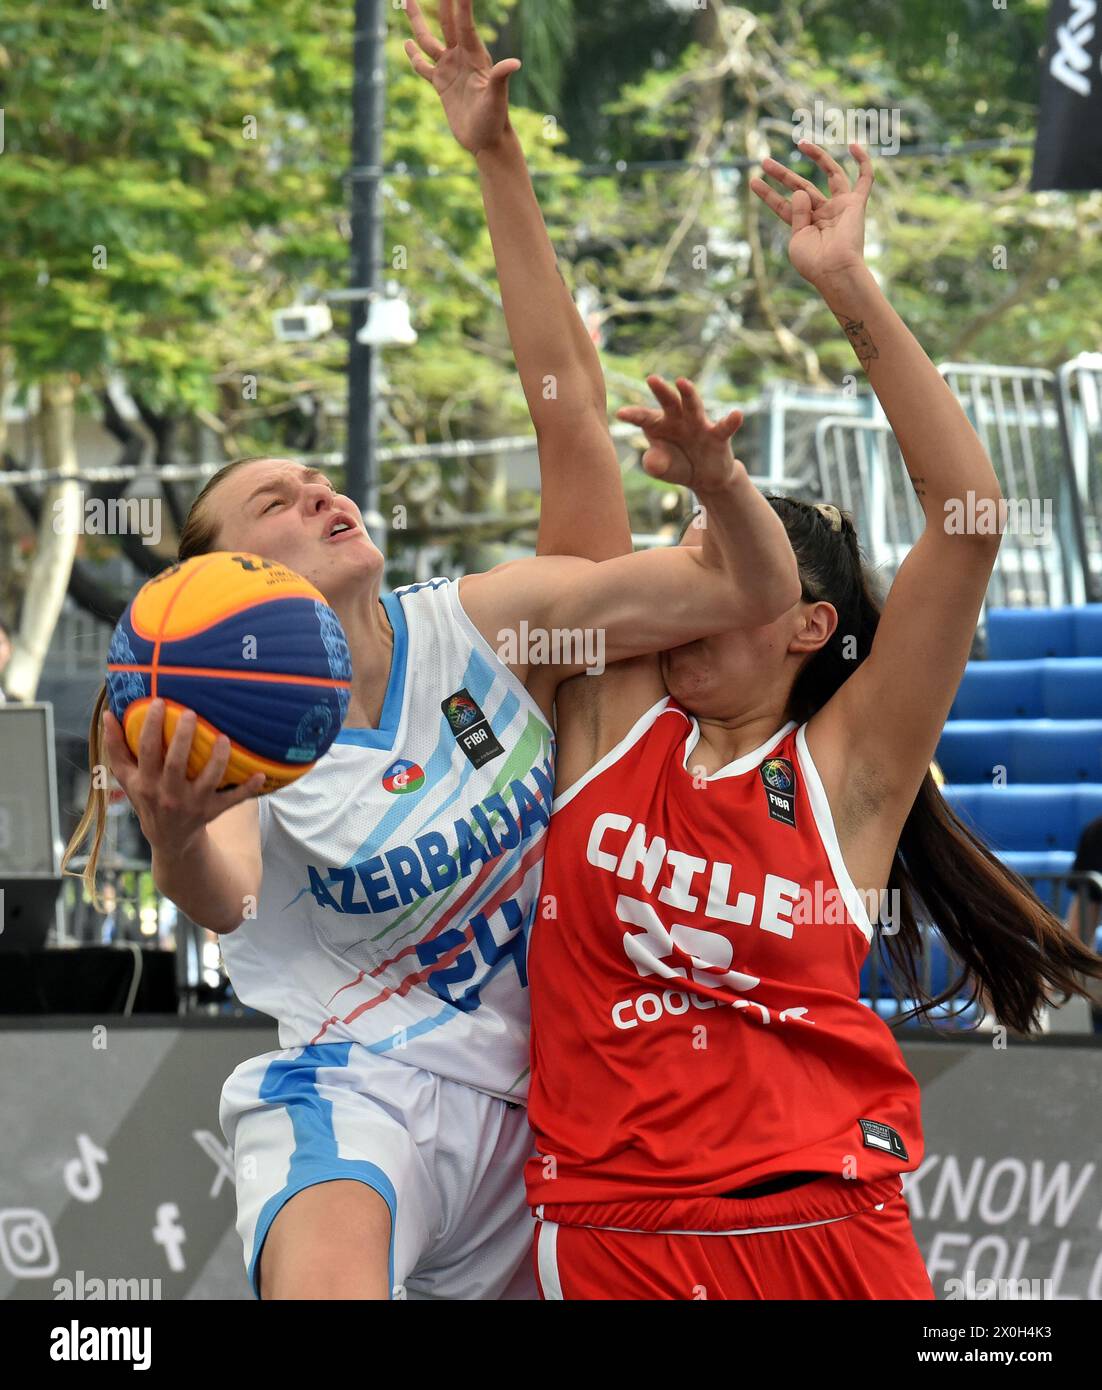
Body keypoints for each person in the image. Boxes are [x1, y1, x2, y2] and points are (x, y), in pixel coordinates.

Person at [498, 134, 1102, 1297]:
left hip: (825, 1219)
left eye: (716, 570)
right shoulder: (609, 711)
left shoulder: (849, 769)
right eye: (683, 561)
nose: (680, 592)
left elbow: (967, 517)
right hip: (616, 1230)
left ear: (805, 622)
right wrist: (495, 158)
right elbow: (563, 412)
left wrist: (843, 283)